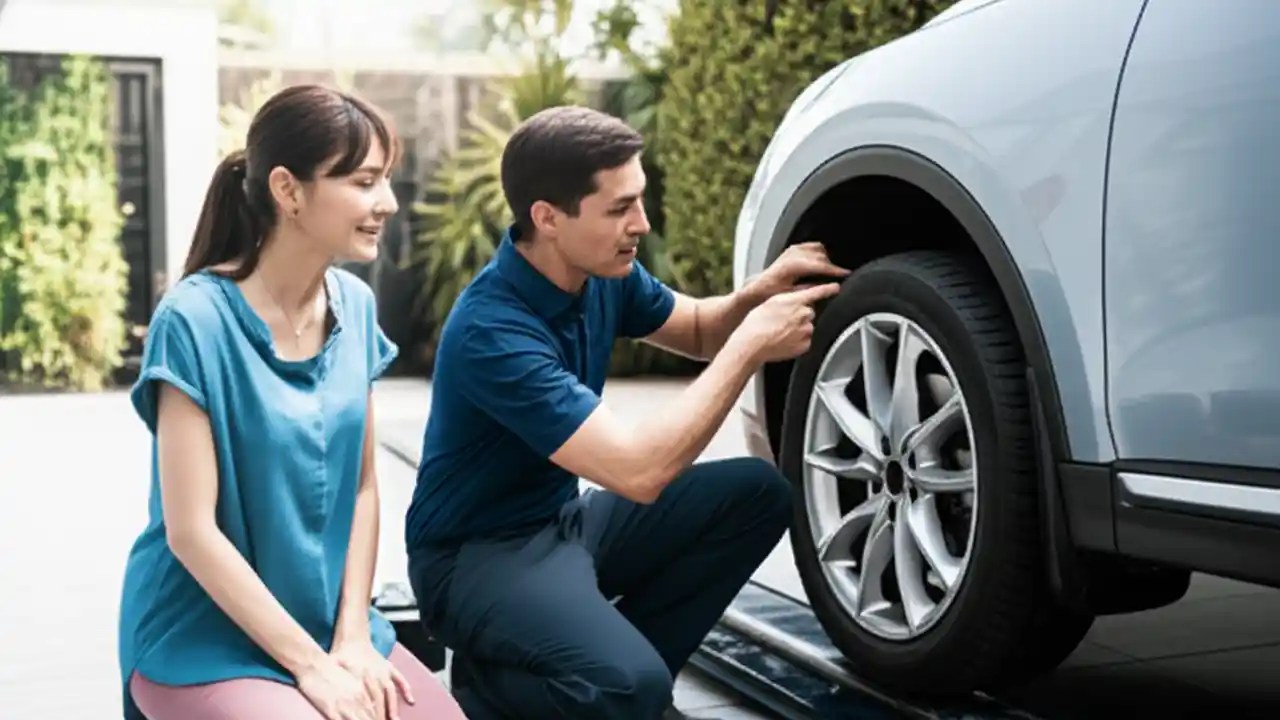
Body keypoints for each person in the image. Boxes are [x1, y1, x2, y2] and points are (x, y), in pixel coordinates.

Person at [404, 105, 849, 719]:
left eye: (639, 200)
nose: (641, 223)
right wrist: (751, 345)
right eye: (619, 208)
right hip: (474, 560)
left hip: (563, 525)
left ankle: (608, 679)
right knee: (628, 685)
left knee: (756, 494)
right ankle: (496, 686)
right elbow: (641, 471)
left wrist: (757, 294)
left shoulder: (601, 271)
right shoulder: (493, 331)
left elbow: (694, 330)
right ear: (548, 218)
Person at [116, 84, 467, 720]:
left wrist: (355, 637)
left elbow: (363, 488)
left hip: (331, 624)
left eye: (386, 179)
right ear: (288, 190)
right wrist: (311, 667)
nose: (386, 202)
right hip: (201, 634)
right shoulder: (194, 319)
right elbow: (191, 531)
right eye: (363, 181)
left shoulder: (356, 308)